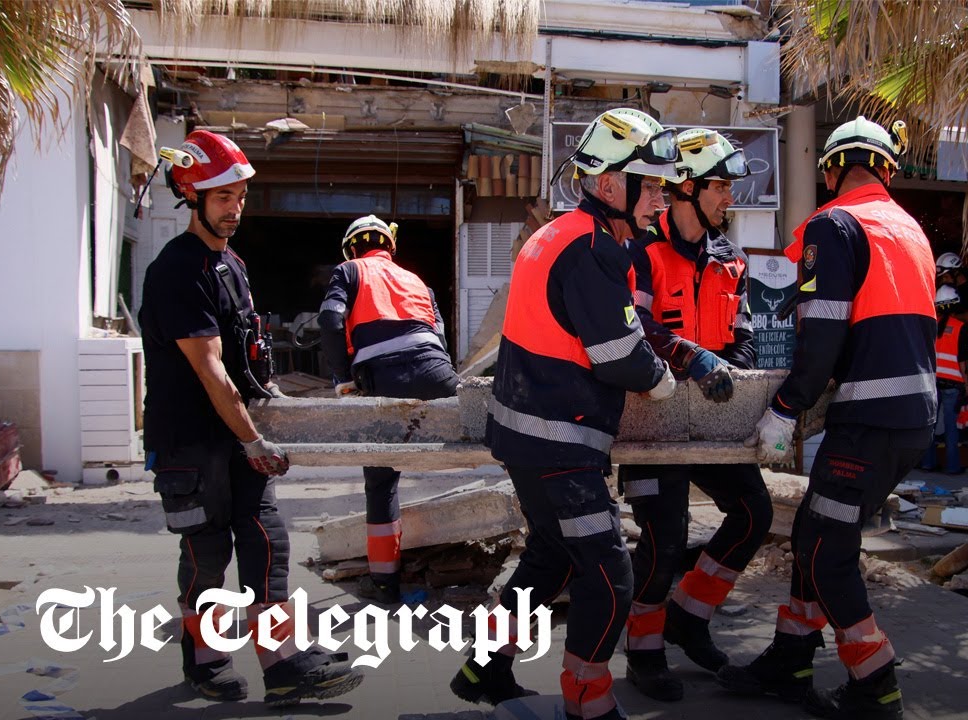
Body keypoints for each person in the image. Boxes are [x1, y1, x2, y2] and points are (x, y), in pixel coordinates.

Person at [448, 107, 679, 720]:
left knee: (550, 556)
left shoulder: (561, 233)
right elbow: (620, 357)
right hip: (560, 443)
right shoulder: (595, 249)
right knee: (608, 576)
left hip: (528, 435)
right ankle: (589, 704)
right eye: (650, 184)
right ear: (608, 184)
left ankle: (483, 670)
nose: (660, 197)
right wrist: (664, 381)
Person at [140, 130, 362, 706]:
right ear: (191, 196)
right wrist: (254, 439)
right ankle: (204, 658)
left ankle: (283, 664)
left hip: (237, 435)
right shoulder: (177, 270)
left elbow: (246, 360)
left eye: (239, 197)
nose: (234, 209)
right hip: (192, 440)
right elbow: (211, 370)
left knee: (266, 541)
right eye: (222, 199)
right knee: (207, 553)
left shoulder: (230, 264)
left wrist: (269, 417)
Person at [724, 116, 936, 720]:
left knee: (822, 545)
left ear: (831, 170)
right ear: (887, 170)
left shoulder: (835, 223)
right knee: (819, 530)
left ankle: (875, 681)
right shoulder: (907, 228)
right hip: (912, 415)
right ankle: (790, 659)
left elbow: (823, 330)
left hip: (869, 420)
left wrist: (784, 409)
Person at [619, 128, 773, 701]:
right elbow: (634, 330)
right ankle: (643, 648)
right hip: (652, 420)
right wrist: (692, 357)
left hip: (712, 419)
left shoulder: (730, 258)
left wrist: (734, 369)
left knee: (754, 513)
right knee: (662, 541)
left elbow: (745, 333)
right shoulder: (640, 251)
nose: (729, 197)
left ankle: (689, 616)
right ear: (684, 187)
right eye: (720, 186)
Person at [317, 214, 460, 602]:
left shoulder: (349, 271)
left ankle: (384, 583)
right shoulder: (418, 281)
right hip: (438, 373)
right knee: (480, 445)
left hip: (383, 379)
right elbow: (439, 334)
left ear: (351, 248)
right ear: (389, 247)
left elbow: (330, 319)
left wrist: (343, 377)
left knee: (381, 479)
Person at [920, 286, 968, 475]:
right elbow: (963, 361)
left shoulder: (931, 325)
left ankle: (927, 463)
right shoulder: (960, 328)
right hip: (953, 384)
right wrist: (967, 386)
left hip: (932, 383)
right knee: (951, 429)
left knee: (930, 427)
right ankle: (952, 466)